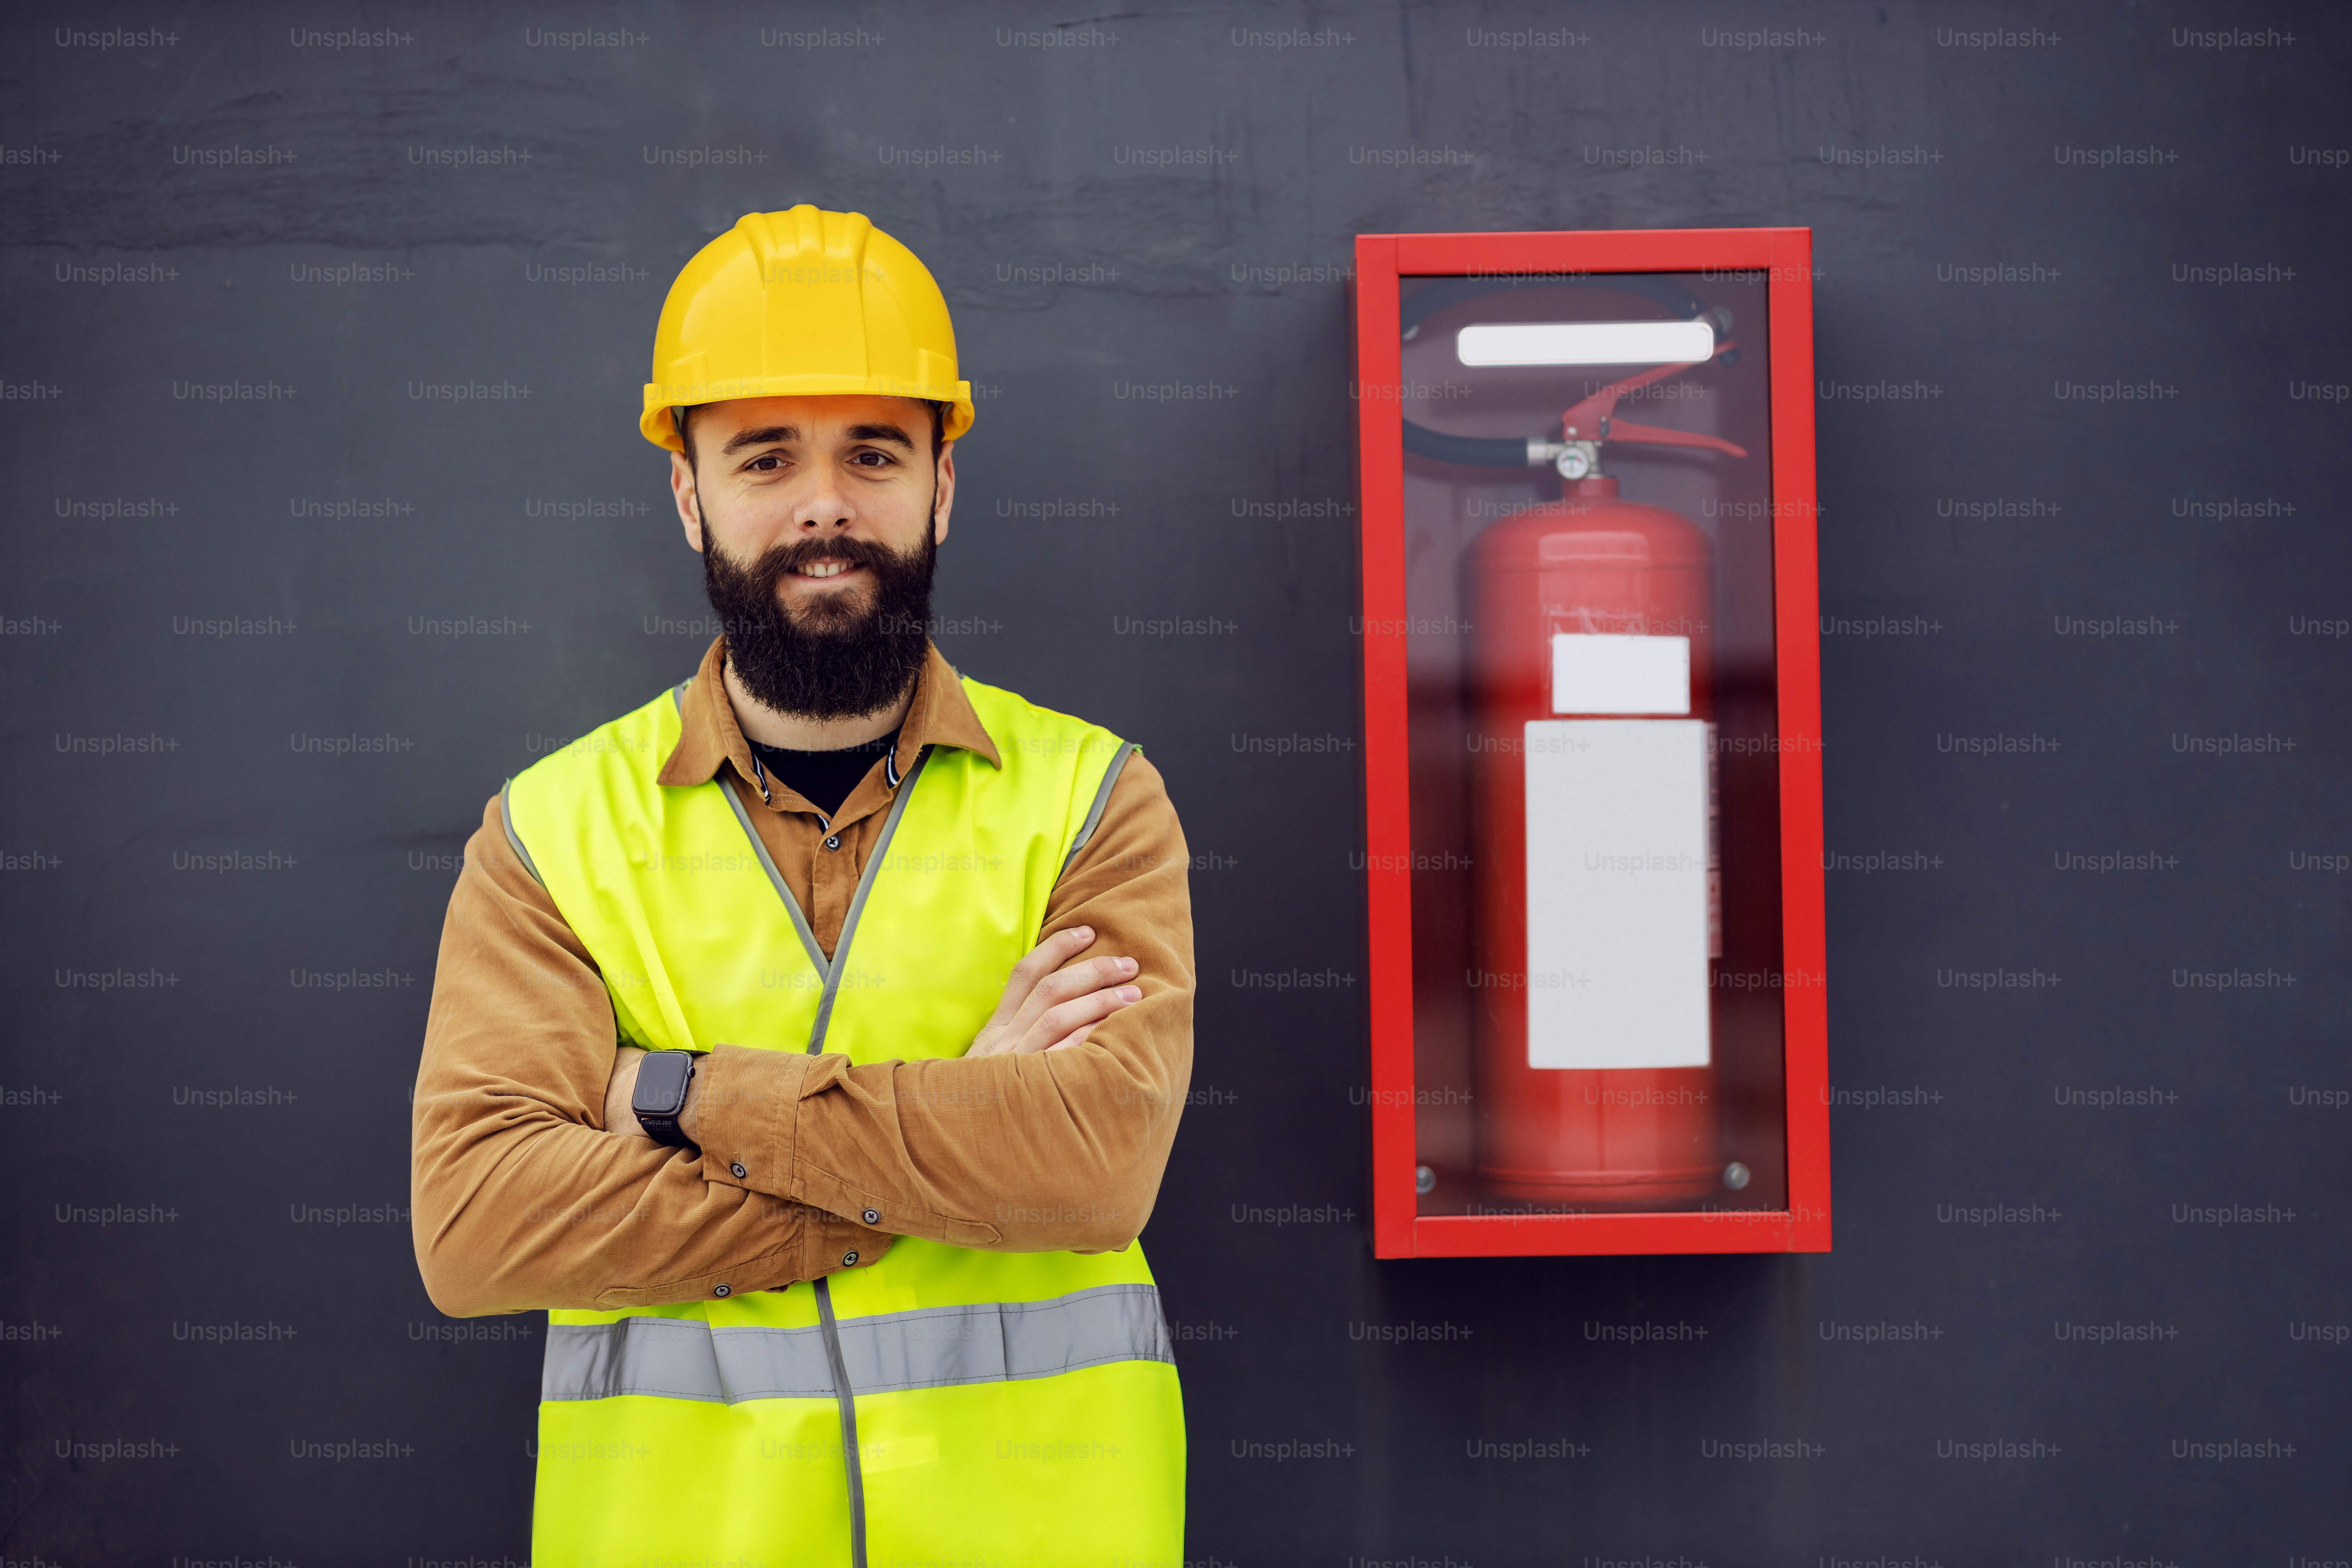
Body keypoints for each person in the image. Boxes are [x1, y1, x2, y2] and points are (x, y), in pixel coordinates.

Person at [410, 205, 1192, 1567]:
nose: (823, 502)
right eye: (766, 456)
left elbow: (1093, 1164)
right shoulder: (548, 837)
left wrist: (674, 1093)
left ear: (942, 483)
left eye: (873, 453)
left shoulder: (1092, 800)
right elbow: (478, 1223)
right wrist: (957, 1125)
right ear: (687, 492)